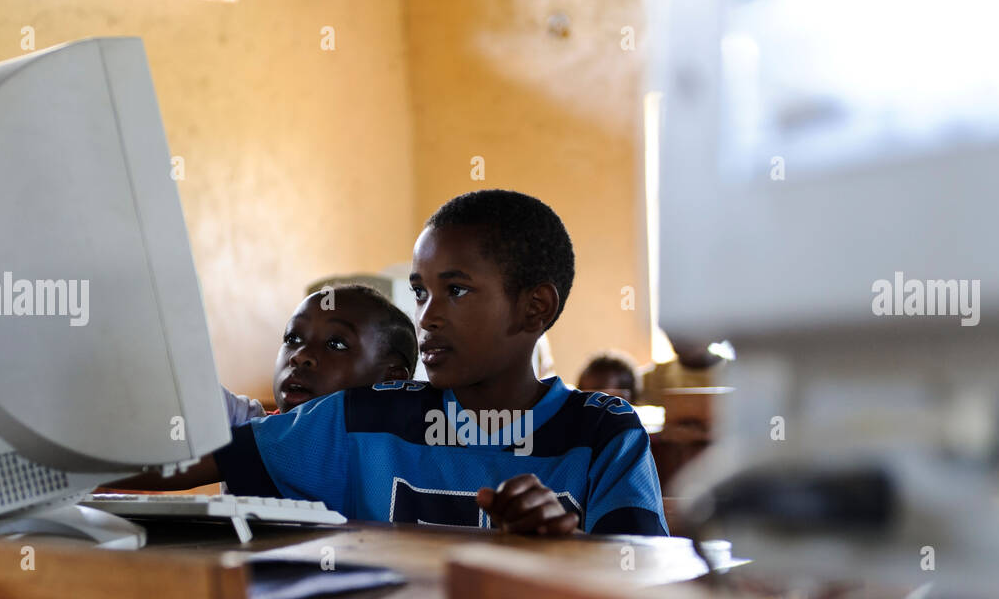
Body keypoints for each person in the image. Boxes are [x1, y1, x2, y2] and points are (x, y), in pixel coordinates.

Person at [138, 190, 666, 536]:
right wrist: (66, 468)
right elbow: (190, 462)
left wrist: (564, 542)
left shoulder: (603, 432)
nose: (428, 317)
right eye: (420, 293)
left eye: (455, 290)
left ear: (535, 307)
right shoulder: (359, 419)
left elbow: (644, 582)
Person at [221, 283, 416, 425]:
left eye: (335, 344)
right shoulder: (249, 425)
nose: (300, 355)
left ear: (392, 382)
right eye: (293, 339)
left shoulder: (397, 458)